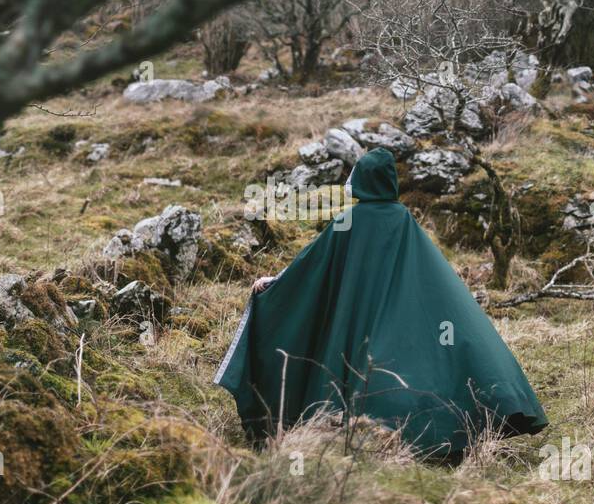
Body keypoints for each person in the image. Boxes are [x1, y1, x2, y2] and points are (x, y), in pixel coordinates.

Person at [214, 147, 548, 459]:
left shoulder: (349, 221)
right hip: (397, 322)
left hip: (356, 324)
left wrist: (276, 285)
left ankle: (352, 435)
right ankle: (430, 436)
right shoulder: (404, 221)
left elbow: (311, 266)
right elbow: (432, 278)